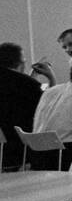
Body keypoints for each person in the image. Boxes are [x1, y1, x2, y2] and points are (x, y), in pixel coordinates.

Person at [1, 42, 54, 171]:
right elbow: (48, 107)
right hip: (21, 146)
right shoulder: (27, 84)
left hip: (3, 145)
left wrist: (32, 78)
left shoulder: (23, 82)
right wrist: (51, 77)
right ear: (20, 63)